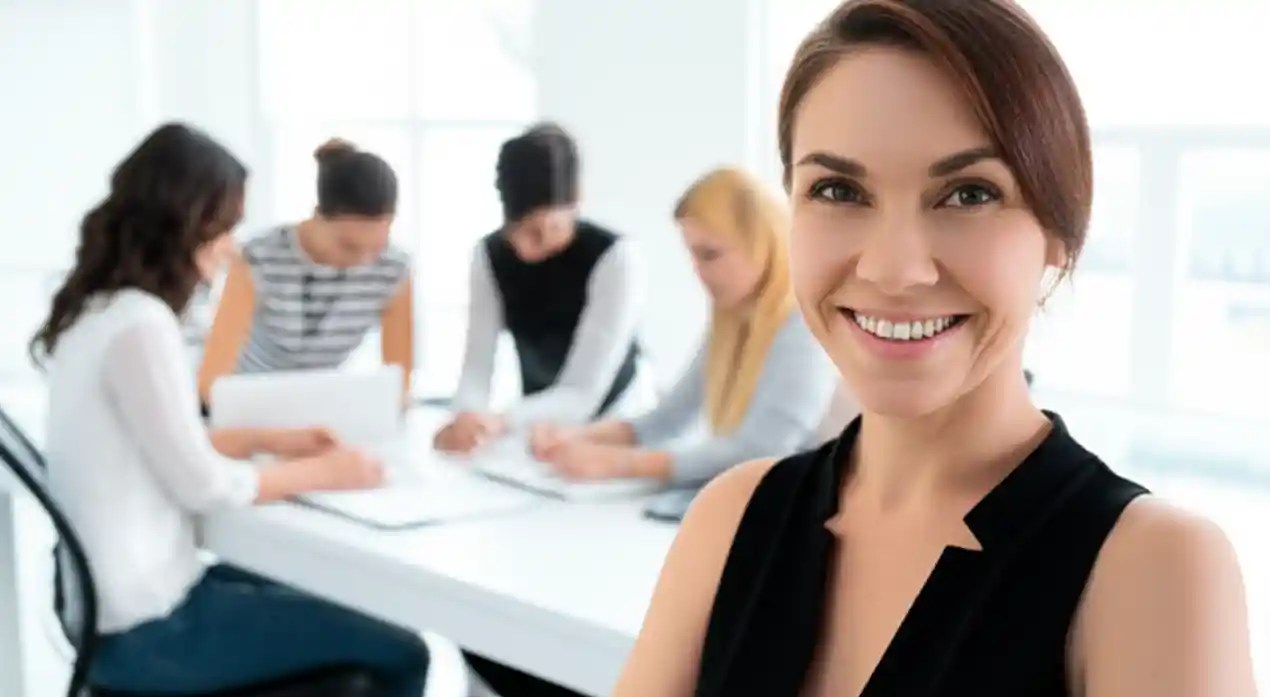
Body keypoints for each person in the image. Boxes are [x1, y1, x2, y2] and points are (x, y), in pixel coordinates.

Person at [604, 1, 1263, 697]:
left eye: (968, 193)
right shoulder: (731, 520)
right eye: (838, 190)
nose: (894, 268)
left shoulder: (1151, 568)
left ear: (1059, 235)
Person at [33, 123, 429, 697]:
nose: (230, 245)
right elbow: (203, 485)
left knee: (329, 596)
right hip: (149, 633)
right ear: (182, 223)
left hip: (108, 619)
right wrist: (327, 470)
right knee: (402, 653)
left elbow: (154, 443)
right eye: (222, 227)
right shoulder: (142, 324)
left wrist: (268, 441)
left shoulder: (95, 312)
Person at [528, 167, 837, 487]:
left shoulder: (804, 326)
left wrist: (618, 463)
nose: (698, 272)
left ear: (762, 244)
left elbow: (760, 451)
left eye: (710, 254)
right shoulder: (734, 320)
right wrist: (576, 438)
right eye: (692, 255)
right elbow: (668, 419)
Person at [433, 123, 648, 455]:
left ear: (577, 200)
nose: (527, 248)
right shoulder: (489, 255)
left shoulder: (615, 257)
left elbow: (581, 393)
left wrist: (500, 421)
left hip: (617, 421)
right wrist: (467, 416)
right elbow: (476, 366)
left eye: (546, 229)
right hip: (537, 423)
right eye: (517, 229)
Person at [198, 138, 413, 402]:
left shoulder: (394, 268)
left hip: (321, 408)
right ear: (317, 217)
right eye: (349, 247)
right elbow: (212, 382)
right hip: (248, 407)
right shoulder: (258, 258)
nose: (364, 260)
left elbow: (398, 386)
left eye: (377, 246)